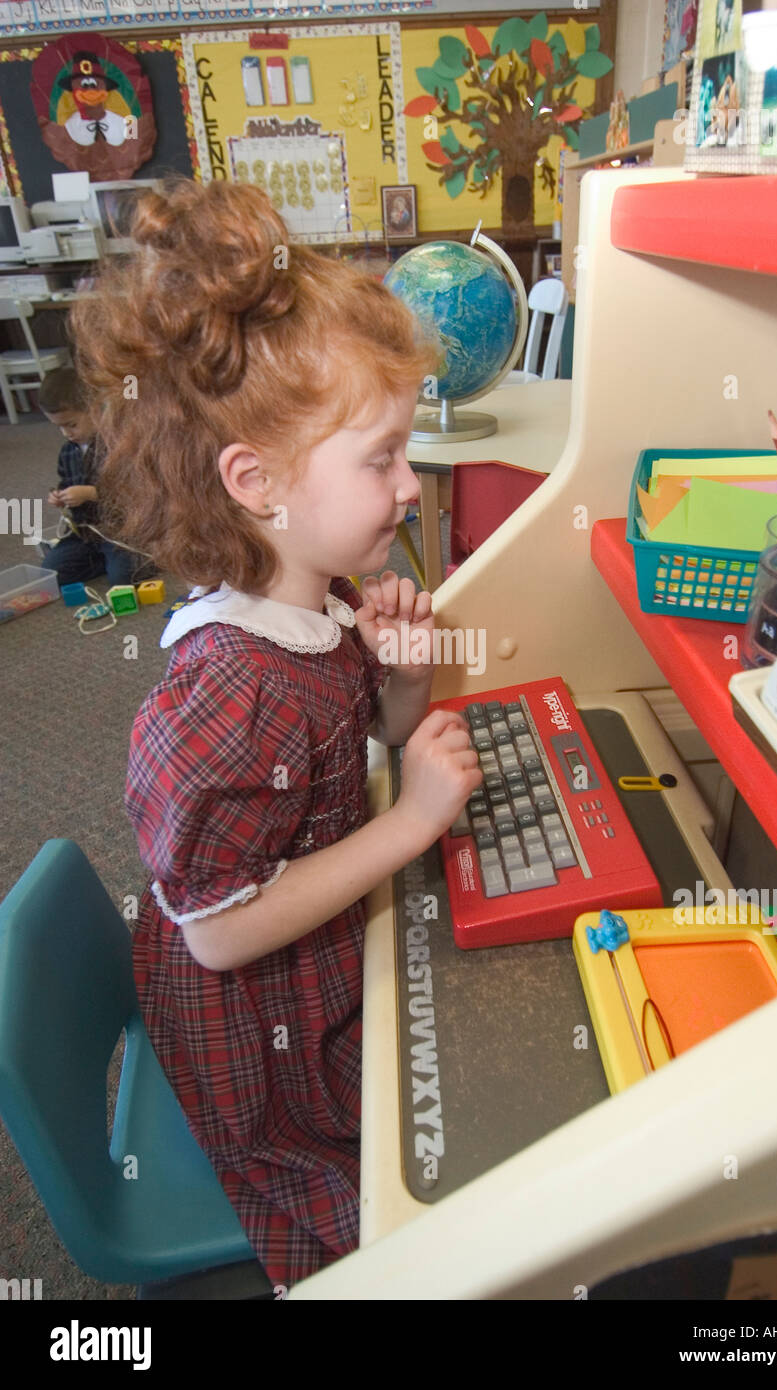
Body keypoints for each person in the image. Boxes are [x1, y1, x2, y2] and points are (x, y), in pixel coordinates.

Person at [71, 179, 483, 1293]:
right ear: (255, 485)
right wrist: (409, 826)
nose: (408, 486)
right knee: (417, 1198)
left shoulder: (317, 592)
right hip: (256, 1026)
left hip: (293, 935)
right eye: (382, 458)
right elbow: (219, 934)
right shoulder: (229, 693)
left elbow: (376, 728)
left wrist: (401, 679)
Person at [38, 365, 155, 588]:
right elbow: (66, 482)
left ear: (95, 409)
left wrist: (92, 493)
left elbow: (138, 491)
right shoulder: (68, 451)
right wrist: (58, 495)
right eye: (59, 427)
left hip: (122, 531)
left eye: (71, 424)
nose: (66, 433)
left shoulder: (118, 446)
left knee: (122, 578)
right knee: (51, 573)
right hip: (86, 532)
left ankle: (144, 555)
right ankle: (107, 560)